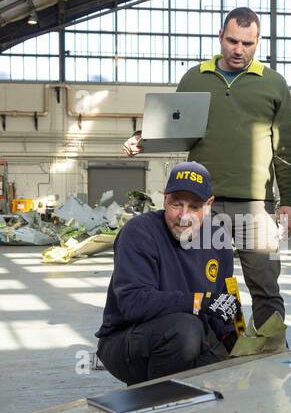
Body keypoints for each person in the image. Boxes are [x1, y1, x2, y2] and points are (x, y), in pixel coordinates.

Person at [124, 8, 291, 329]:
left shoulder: (274, 84)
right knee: (202, 286)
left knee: (266, 287)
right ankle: (216, 347)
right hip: (202, 205)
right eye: (232, 40)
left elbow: (287, 148)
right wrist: (142, 139)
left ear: (258, 42)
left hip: (257, 207)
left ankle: (271, 349)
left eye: (247, 43)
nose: (238, 49)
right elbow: (171, 125)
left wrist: (290, 200)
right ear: (220, 37)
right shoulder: (195, 77)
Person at [95, 162, 241, 386]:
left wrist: (239, 341)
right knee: (184, 331)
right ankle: (158, 404)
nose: (184, 216)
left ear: (209, 205)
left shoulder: (218, 240)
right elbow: (134, 304)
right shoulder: (139, 232)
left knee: (226, 373)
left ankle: (184, 392)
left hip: (193, 337)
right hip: (129, 340)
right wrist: (199, 302)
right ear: (164, 199)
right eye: (176, 204)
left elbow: (222, 304)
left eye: (194, 207)